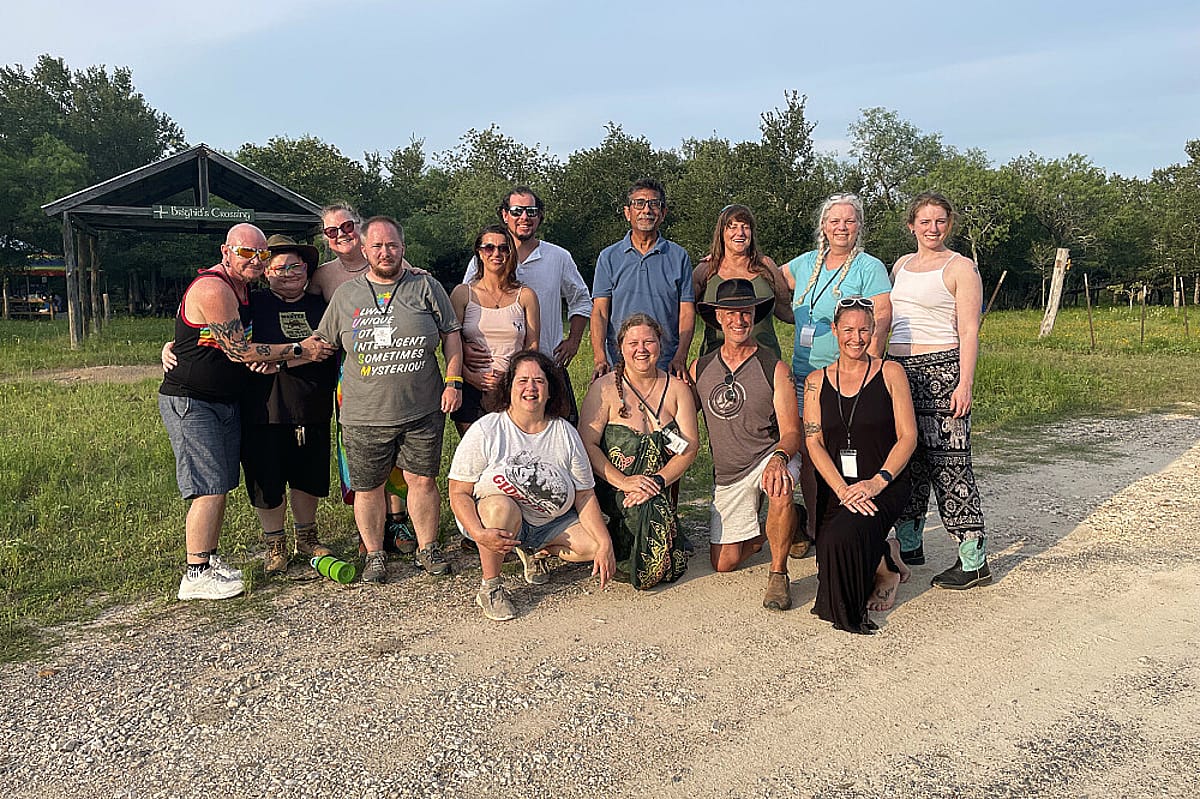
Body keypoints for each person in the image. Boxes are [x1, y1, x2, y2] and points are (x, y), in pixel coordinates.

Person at [159, 224, 334, 600]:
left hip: (225, 400)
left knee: (219, 483)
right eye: (247, 253)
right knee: (209, 487)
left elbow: (203, 334)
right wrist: (299, 350)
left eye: (261, 254)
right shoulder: (215, 287)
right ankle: (196, 572)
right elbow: (240, 351)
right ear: (227, 251)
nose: (256, 260)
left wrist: (176, 341)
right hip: (194, 398)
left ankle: (207, 559)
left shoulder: (244, 290)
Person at [314, 215, 464, 584]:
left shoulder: (426, 286)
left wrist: (453, 381)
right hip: (364, 414)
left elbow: (452, 335)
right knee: (368, 488)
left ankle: (427, 548)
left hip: (423, 408)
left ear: (403, 249)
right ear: (364, 250)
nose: (385, 252)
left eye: (392, 245)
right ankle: (375, 555)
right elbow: (321, 343)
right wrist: (270, 357)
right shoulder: (346, 295)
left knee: (423, 480)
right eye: (377, 246)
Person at [448, 351, 616, 621]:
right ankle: (491, 587)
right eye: (522, 380)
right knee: (502, 509)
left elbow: (584, 494)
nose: (531, 388)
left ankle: (533, 550)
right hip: (495, 516)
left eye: (539, 381)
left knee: (595, 547)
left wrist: (605, 542)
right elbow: (458, 492)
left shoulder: (565, 433)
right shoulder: (487, 429)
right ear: (510, 387)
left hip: (548, 522)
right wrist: (478, 533)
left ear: (550, 390)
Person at [888, 192, 990, 590]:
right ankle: (911, 542)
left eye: (940, 221)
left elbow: (968, 330)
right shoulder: (900, 266)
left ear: (950, 224)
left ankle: (973, 558)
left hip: (943, 369)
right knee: (909, 459)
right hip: (899, 370)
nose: (932, 228)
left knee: (949, 462)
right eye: (925, 221)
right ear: (911, 225)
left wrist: (965, 383)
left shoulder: (961, 267)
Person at [782, 193, 893, 549]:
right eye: (834, 221)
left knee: (848, 449)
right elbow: (766, 275)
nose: (841, 227)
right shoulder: (805, 263)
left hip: (846, 378)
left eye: (849, 220)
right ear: (823, 226)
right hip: (805, 376)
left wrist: (867, 375)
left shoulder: (868, 267)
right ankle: (816, 523)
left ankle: (859, 521)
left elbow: (882, 318)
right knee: (811, 452)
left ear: (859, 226)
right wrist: (717, 263)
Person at [803, 297, 916, 633]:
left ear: (874, 331)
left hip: (885, 482)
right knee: (827, 551)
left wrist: (875, 483)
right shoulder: (815, 381)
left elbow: (907, 437)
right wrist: (841, 489)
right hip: (840, 485)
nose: (856, 338)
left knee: (843, 539)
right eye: (848, 329)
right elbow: (814, 441)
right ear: (835, 330)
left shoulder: (891, 372)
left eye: (864, 330)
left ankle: (886, 572)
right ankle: (885, 553)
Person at [690, 279, 801, 610]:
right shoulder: (702, 367)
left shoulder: (775, 367)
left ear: (755, 316)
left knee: (780, 486)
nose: (739, 321)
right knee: (723, 563)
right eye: (732, 314)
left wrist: (780, 458)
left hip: (769, 454)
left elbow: (792, 432)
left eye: (746, 313)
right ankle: (781, 525)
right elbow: (681, 419)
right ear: (719, 318)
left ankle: (779, 574)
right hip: (729, 472)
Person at [313, 202, 416, 556]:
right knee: (359, 452)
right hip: (352, 372)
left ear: (360, 227)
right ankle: (367, 528)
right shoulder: (324, 276)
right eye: (331, 231)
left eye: (347, 227)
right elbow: (285, 298)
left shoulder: (399, 266)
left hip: (397, 369)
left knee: (400, 445)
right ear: (325, 239)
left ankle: (398, 517)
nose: (341, 235)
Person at [578, 313, 697, 589]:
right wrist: (624, 482)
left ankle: (647, 553)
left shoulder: (678, 390)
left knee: (651, 504)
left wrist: (656, 481)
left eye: (649, 342)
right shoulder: (604, 389)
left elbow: (690, 448)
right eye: (633, 343)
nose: (641, 349)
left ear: (660, 345)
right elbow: (587, 445)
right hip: (613, 486)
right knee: (644, 509)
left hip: (657, 487)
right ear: (621, 348)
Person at [461, 186, 592, 424]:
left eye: (531, 211)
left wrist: (573, 341)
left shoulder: (558, 257)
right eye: (517, 210)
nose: (524, 217)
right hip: (490, 373)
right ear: (504, 215)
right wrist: (463, 348)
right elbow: (464, 309)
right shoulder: (485, 258)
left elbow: (581, 299)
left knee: (556, 442)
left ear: (540, 216)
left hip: (546, 369)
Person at [592, 178, 695, 382]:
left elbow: (686, 312)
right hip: (619, 364)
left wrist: (680, 356)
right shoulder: (609, 257)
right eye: (639, 203)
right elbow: (600, 312)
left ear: (663, 213)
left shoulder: (678, 256)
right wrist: (600, 357)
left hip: (666, 364)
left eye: (654, 204)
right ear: (627, 212)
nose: (646, 210)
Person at [450, 224, 539, 433]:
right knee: (477, 457)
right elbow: (451, 344)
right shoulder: (463, 294)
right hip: (472, 391)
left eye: (503, 248)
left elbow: (532, 345)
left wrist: (512, 379)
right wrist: (471, 378)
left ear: (511, 253)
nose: (496, 253)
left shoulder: (526, 295)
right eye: (489, 248)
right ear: (479, 253)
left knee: (513, 456)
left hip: (514, 389)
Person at [693, 204, 792, 357]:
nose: (740, 233)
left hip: (764, 359)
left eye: (745, 227)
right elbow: (685, 313)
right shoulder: (706, 269)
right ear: (722, 232)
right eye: (732, 227)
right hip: (715, 360)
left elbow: (785, 311)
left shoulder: (766, 265)